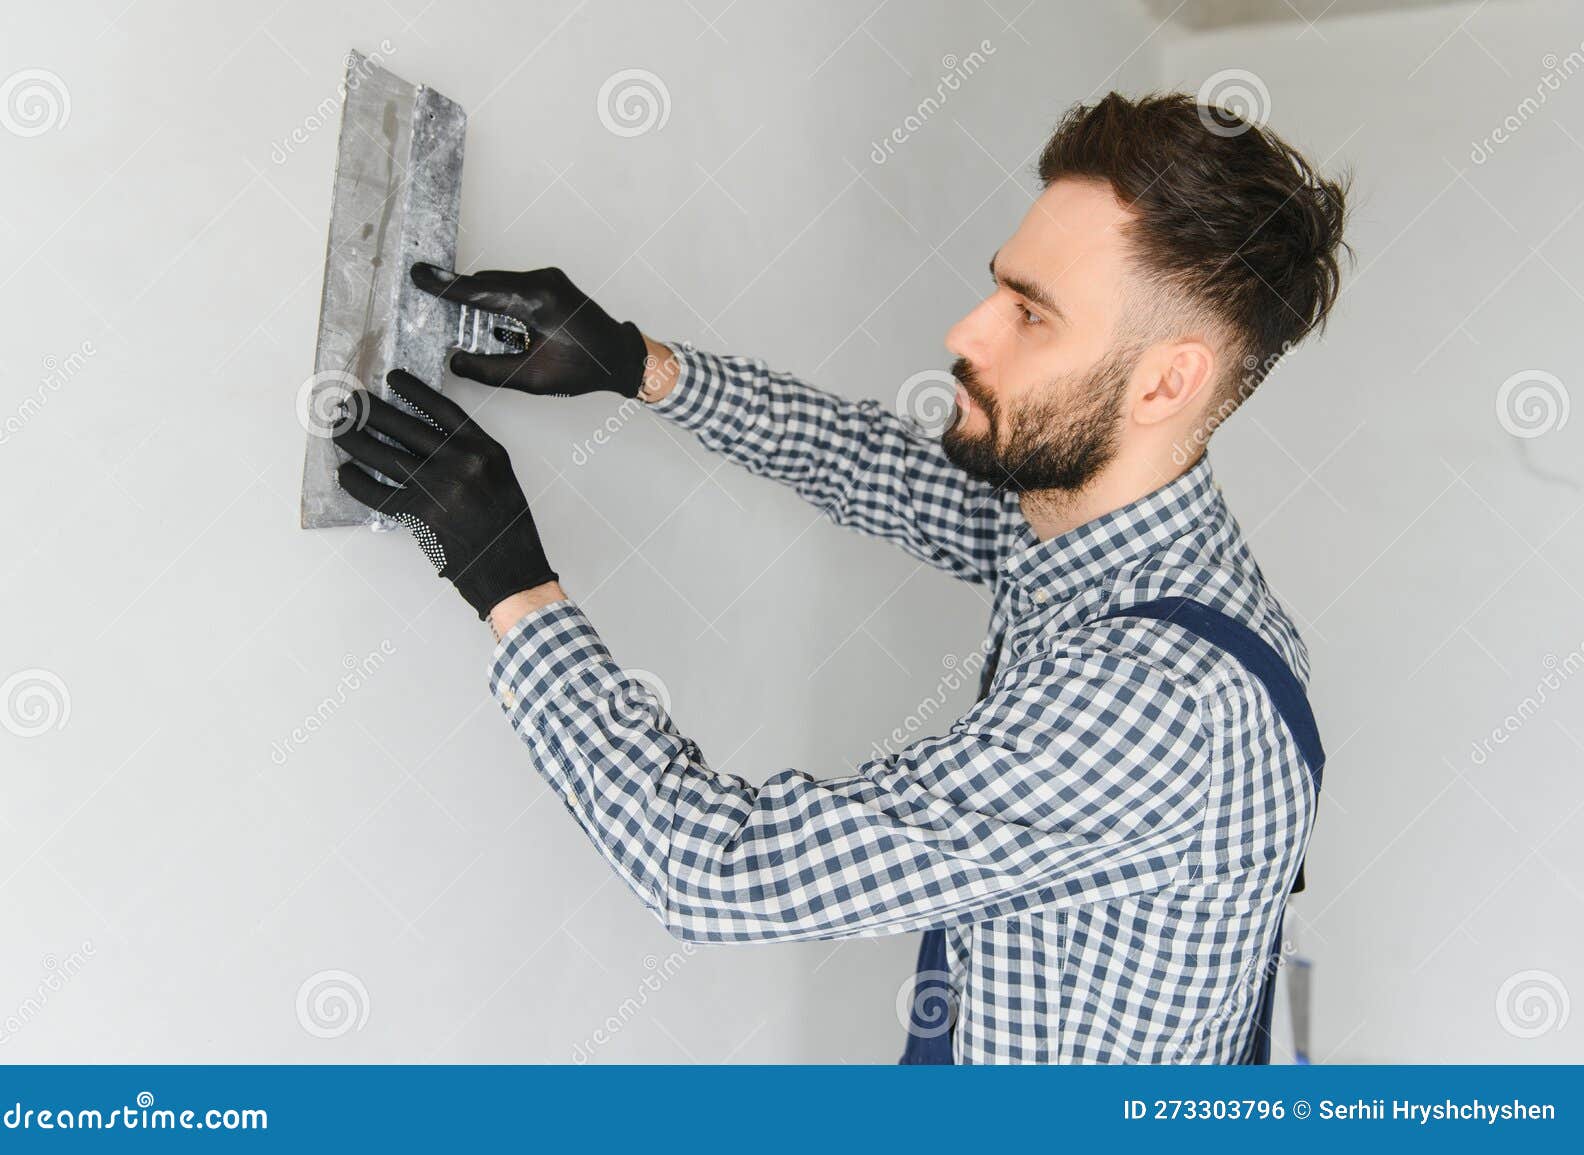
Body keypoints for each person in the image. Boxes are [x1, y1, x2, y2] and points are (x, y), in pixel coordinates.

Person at [328, 91, 1352, 1064]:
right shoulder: (1104, 533)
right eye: (999, 284)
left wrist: (512, 582)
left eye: (1031, 316)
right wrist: (630, 360)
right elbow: (876, 470)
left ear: (1166, 381)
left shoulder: (1157, 700)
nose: (966, 333)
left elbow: (714, 873)